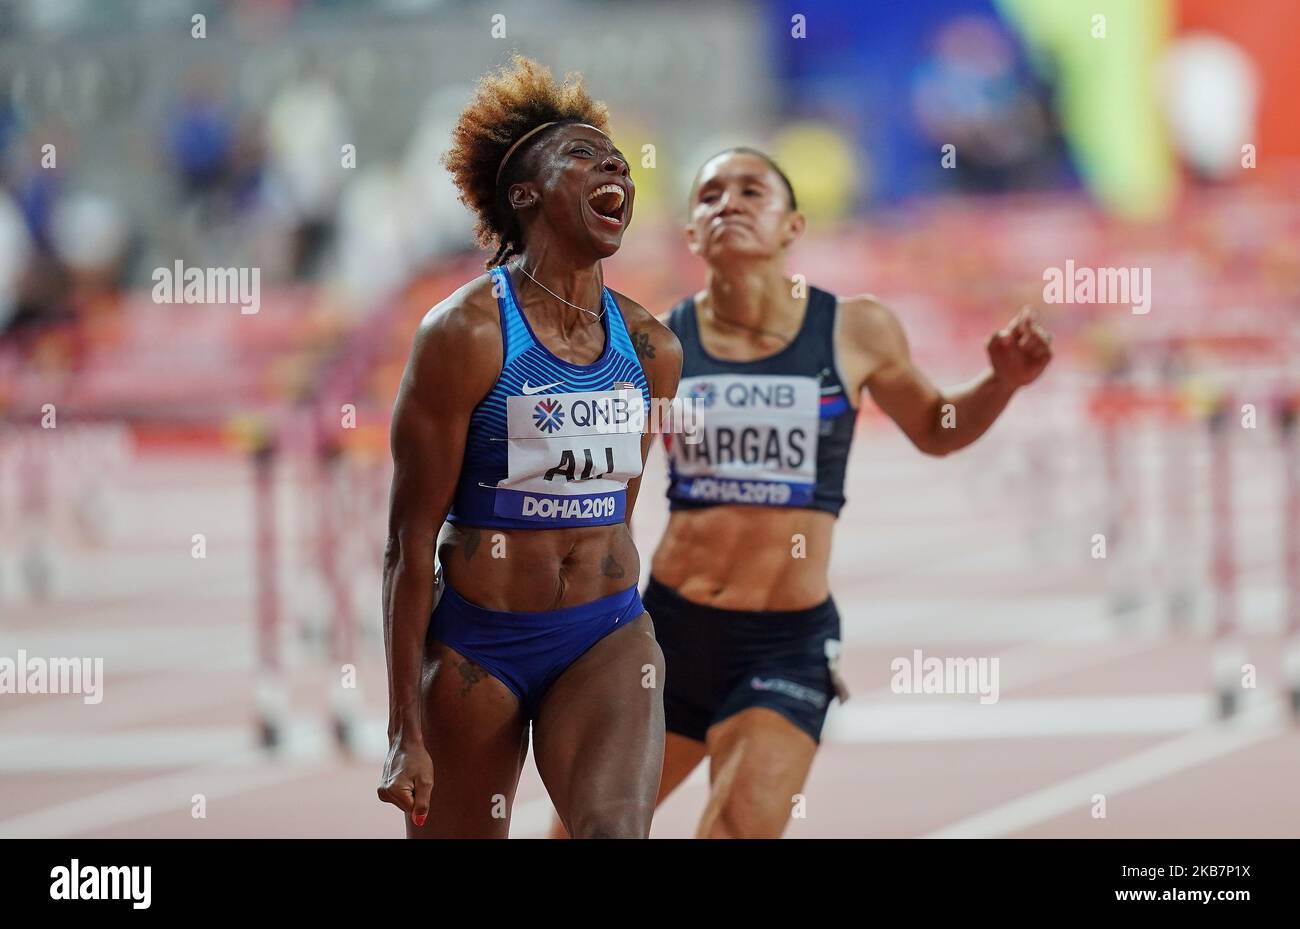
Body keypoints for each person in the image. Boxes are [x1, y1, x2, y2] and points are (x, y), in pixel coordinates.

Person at [552, 146, 1052, 838]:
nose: (728, 202)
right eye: (709, 195)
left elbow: (937, 428)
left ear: (793, 226)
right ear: (692, 234)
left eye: (752, 191)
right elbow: (605, 486)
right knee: (581, 831)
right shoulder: (656, 343)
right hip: (665, 635)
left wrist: (1000, 382)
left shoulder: (855, 330)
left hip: (782, 646)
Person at [378, 56, 682, 839]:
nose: (611, 164)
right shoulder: (465, 334)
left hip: (605, 635)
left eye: (615, 158)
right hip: (480, 643)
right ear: (525, 194)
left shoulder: (651, 348)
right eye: (581, 155)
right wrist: (403, 729)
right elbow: (408, 545)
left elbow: (615, 510)